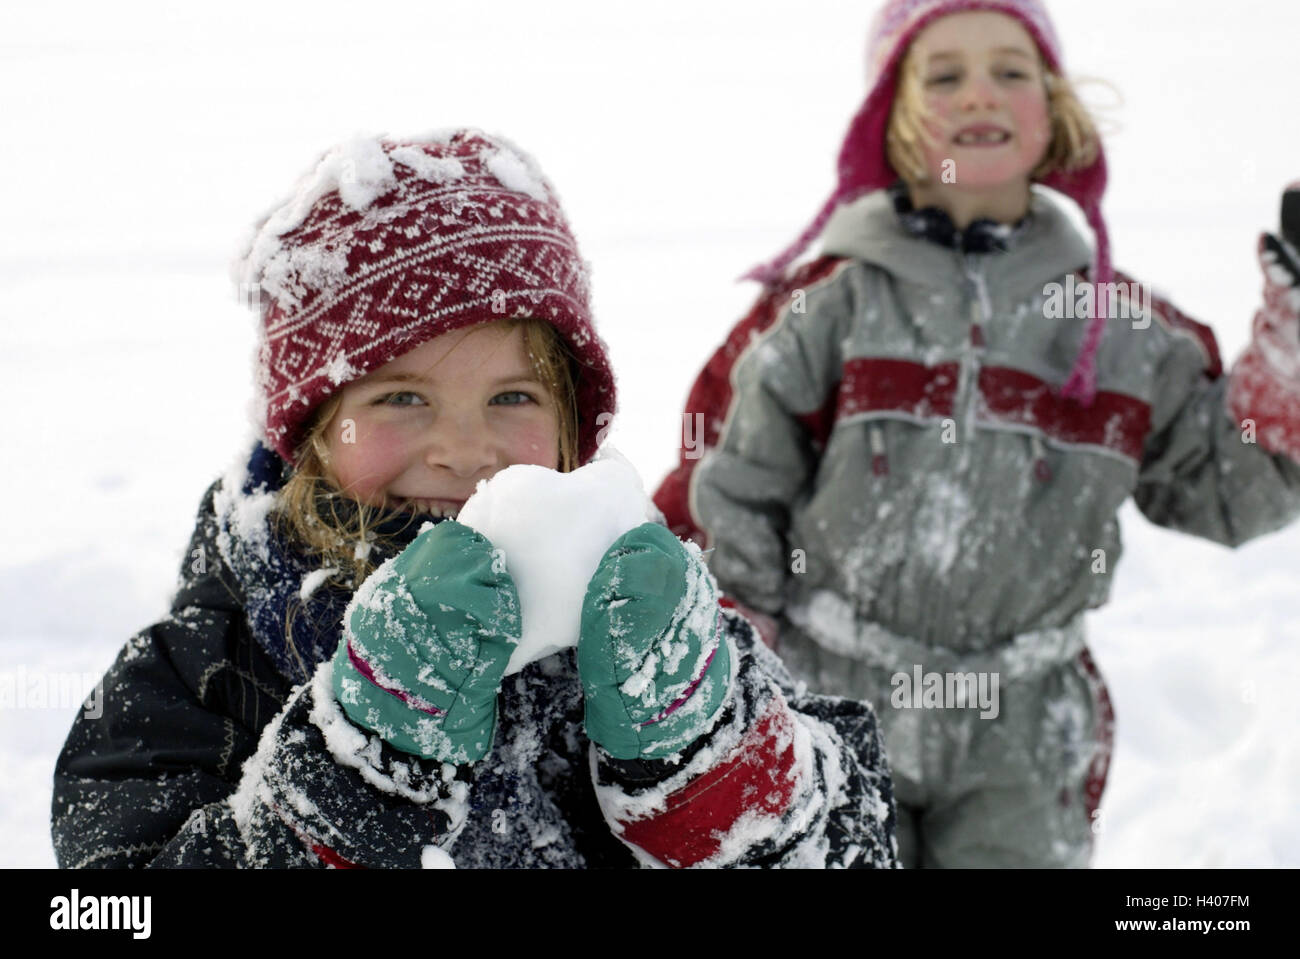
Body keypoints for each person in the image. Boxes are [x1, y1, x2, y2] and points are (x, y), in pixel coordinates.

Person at [51, 129, 899, 869]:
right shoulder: (210, 668)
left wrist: (712, 761)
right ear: (311, 431)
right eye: (401, 398)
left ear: (575, 430)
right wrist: (352, 775)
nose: (463, 451)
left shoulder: (666, 632)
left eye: (513, 398)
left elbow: (859, 847)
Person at [655, 0, 1300, 868]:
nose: (978, 95)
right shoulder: (827, 304)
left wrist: (1291, 352)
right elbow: (727, 483)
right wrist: (735, 671)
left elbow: (1228, 490)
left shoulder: (1122, 328)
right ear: (892, 117)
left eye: (1010, 70)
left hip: (1023, 732)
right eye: (944, 75)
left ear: (1057, 110)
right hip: (830, 703)